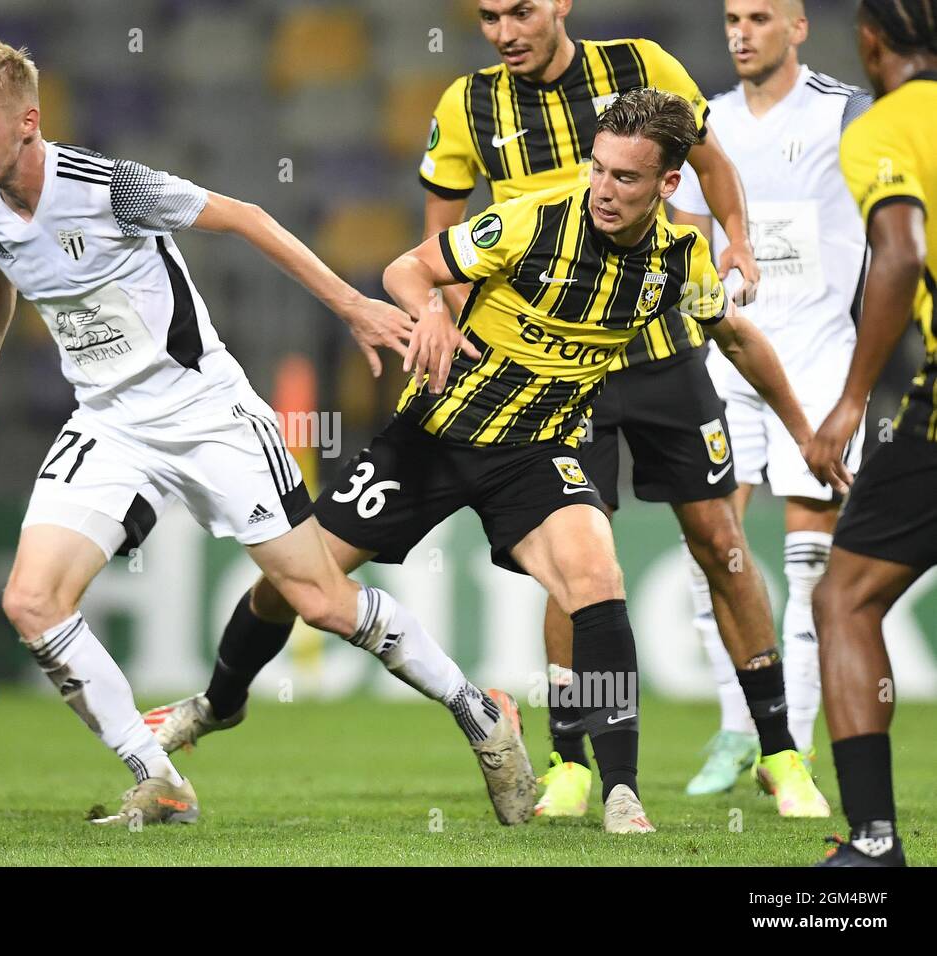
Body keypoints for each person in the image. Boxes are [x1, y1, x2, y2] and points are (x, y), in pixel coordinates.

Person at [147, 88, 850, 834]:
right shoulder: (534, 219)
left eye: (627, 178)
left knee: (597, 579)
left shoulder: (680, 258)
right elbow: (407, 269)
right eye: (599, 169)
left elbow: (736, 339)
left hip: (538, 453)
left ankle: (620, 790)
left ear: (669, 185)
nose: (604, 191)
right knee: (288, 582)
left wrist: (804, 426)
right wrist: (434, 314)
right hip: (433, 439)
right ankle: (220, 702)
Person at [0, 40, 534, 827]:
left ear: (28, 122)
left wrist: (352, 304)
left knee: (319, 600)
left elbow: (246, 217)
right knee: (30, 601)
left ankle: (479, 711)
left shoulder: (110, 186)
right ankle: (159, 781)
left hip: (207, 413)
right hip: (110, 426)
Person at [667, 0, 873, 796]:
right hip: (726, 359)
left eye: (758, 16)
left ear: (797, 27)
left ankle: (800, 743)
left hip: (820, 361)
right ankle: (737, 728)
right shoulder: (706, 120)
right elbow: (686, 240)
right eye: (729, 18)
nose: (739, 31)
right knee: (710, 548)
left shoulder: (845, 114)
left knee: (808, 564)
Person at [805, 0, 937, 868]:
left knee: (844, 598)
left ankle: (875, 845)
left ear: (869, 37)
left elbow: (898, 252)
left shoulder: (885, 126)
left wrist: (851, 400)